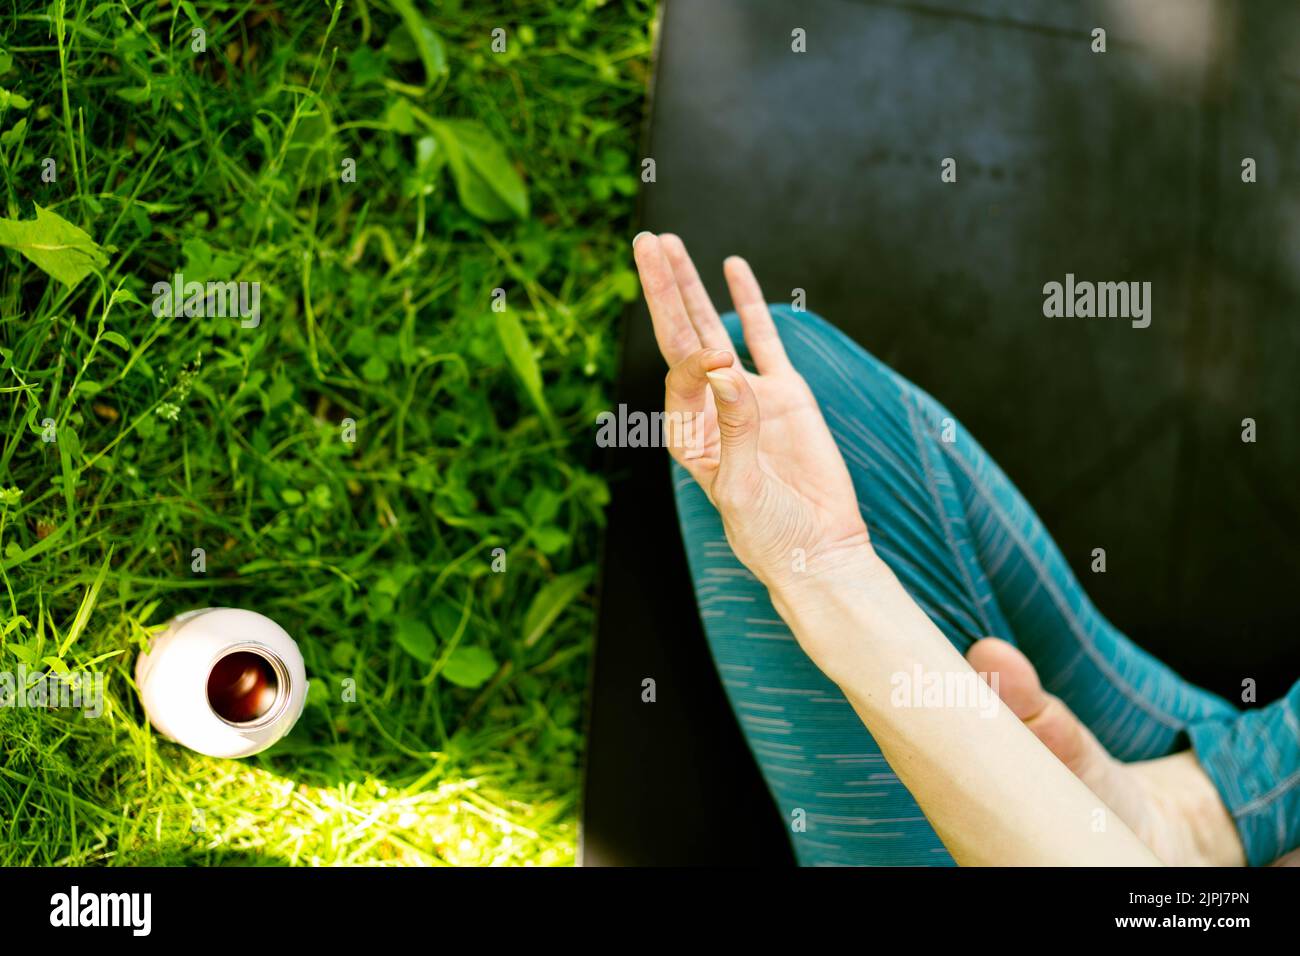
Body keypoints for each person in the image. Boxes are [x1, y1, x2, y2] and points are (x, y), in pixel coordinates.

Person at [631, 231, 1300, 866]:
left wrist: (828, 575)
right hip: (1241, 788)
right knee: (787, 388)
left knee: (745, 417)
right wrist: (1208, 811)